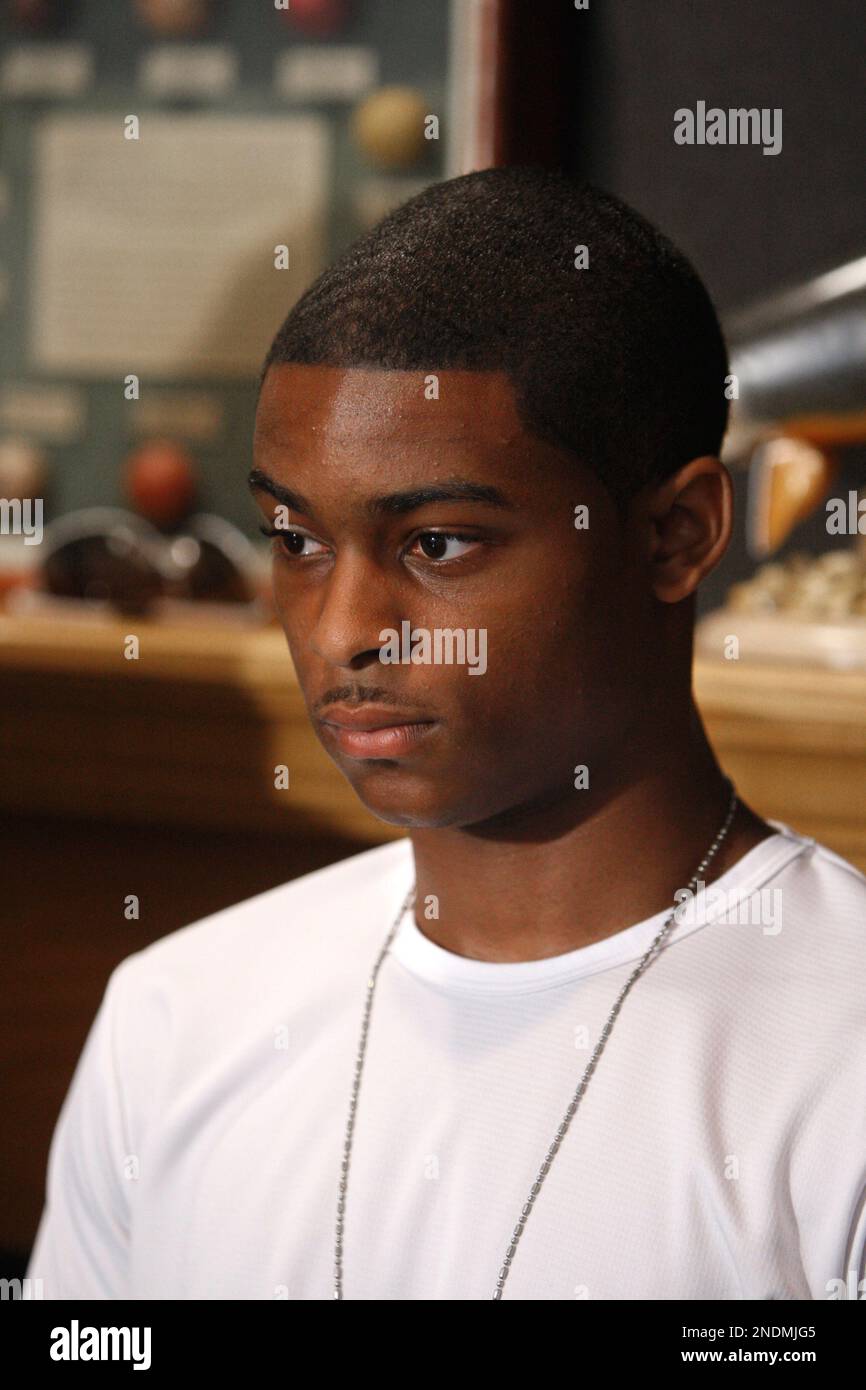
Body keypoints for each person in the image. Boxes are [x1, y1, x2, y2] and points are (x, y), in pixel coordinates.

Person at [28, 167, 866, 1301]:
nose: (341, 631)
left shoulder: (836, 1054)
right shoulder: (173, 1022)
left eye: (436, 545)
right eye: (295, 538)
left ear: (674, 536)